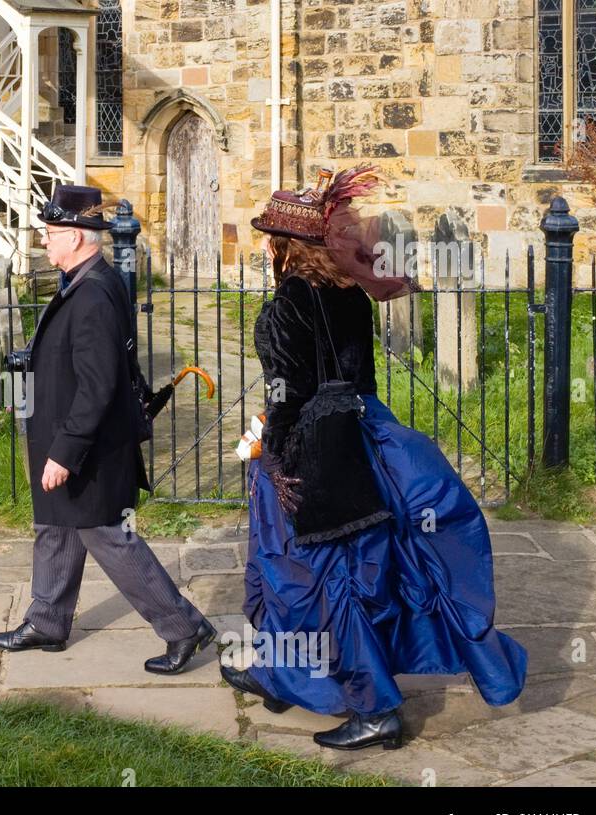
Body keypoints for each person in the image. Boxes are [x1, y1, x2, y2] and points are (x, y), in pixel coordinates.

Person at [222, 166, 528, 749]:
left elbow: (290, 390)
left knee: (316, 575)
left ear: (282, 247)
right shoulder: (349, 294)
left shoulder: (287, 304)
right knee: (342, 568)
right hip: (366, 433)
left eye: (268, 238)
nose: (265, 247)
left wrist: (274, 458)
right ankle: (278, 672)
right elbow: (352, 380)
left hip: (315, 449)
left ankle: (374, 709)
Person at [0, 184, 217, 673]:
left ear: (76, 237)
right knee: (55, 527)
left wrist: (65, 451)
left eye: (50, 234)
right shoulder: (83, 281)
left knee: (108, 535)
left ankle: (184, 627)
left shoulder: (93, 293)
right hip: (64, 433)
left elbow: (97, 386)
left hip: (89, 446)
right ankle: (47, 619)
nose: (44, 242)